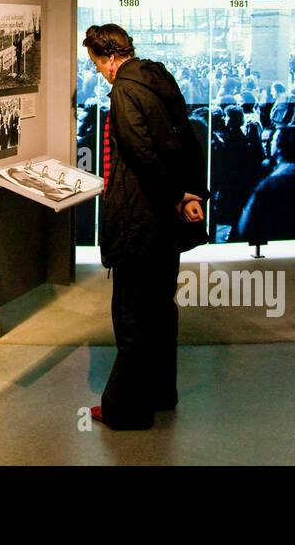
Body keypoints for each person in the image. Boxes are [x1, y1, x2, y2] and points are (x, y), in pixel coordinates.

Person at [84, 23, 208, 431]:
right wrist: (189, 194)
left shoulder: (124, 90)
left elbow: (140, 155)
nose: (98, 71)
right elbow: (186, 140)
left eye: (96, 63)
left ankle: (126, 409)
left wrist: (173, 194)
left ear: (109, 56)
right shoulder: (160, 78)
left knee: (133, 314)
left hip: (140, 216)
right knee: (160, 307)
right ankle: (160, 392)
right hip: (165, 223)